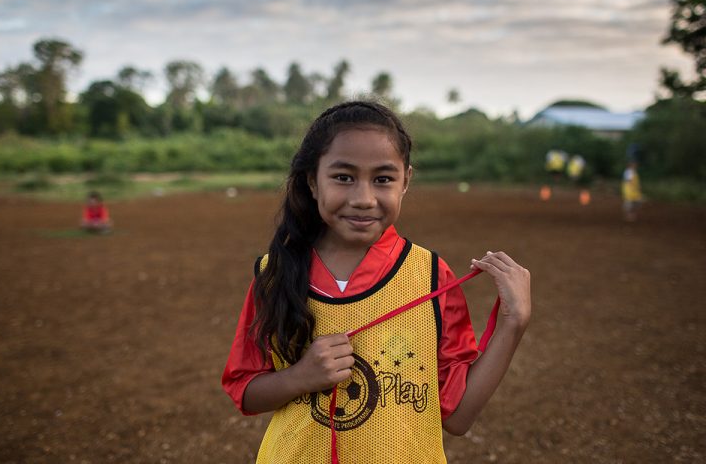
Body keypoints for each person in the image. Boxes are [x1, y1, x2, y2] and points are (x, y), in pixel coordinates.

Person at [222, 101, 531, 463]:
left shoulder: (431, 276)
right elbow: (244, 389)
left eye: (383, 179)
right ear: (313, 181)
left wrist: (513, 323)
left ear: (406, 181)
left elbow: (458, 417)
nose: (364, 199)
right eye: (344, 177)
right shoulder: (275, 273)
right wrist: (300, 377)